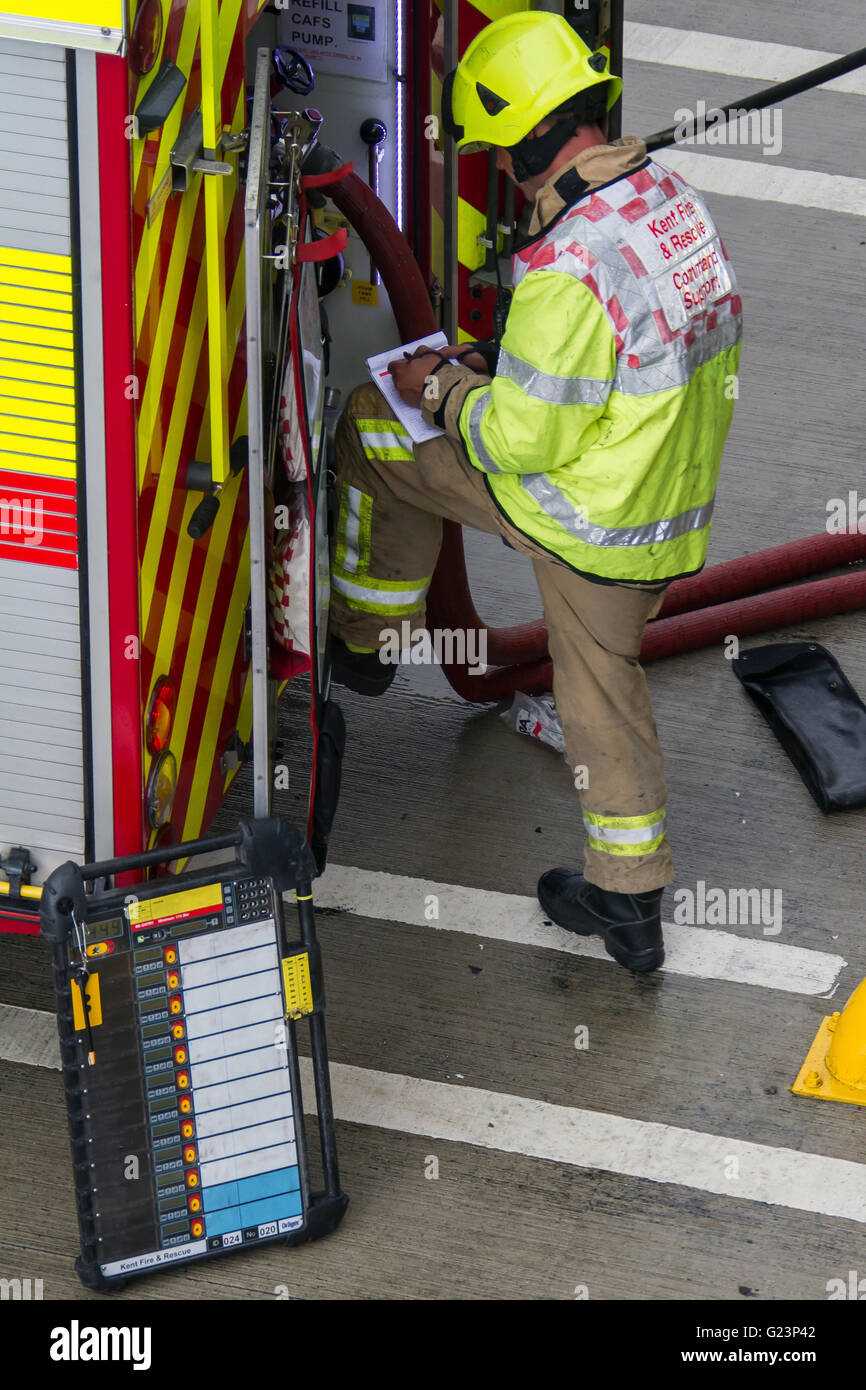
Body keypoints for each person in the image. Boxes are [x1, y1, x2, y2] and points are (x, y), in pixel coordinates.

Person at [328, 11, 742, 973]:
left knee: (373, 426)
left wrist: (447, 387)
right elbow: (640, 347)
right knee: (605, 682)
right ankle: (628, 901)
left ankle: (368, 643)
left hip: (584, 514)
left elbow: (519, 438)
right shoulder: (670, 202)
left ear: (522, 146)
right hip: (664, 503)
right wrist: (510, 358)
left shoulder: (566, 266)